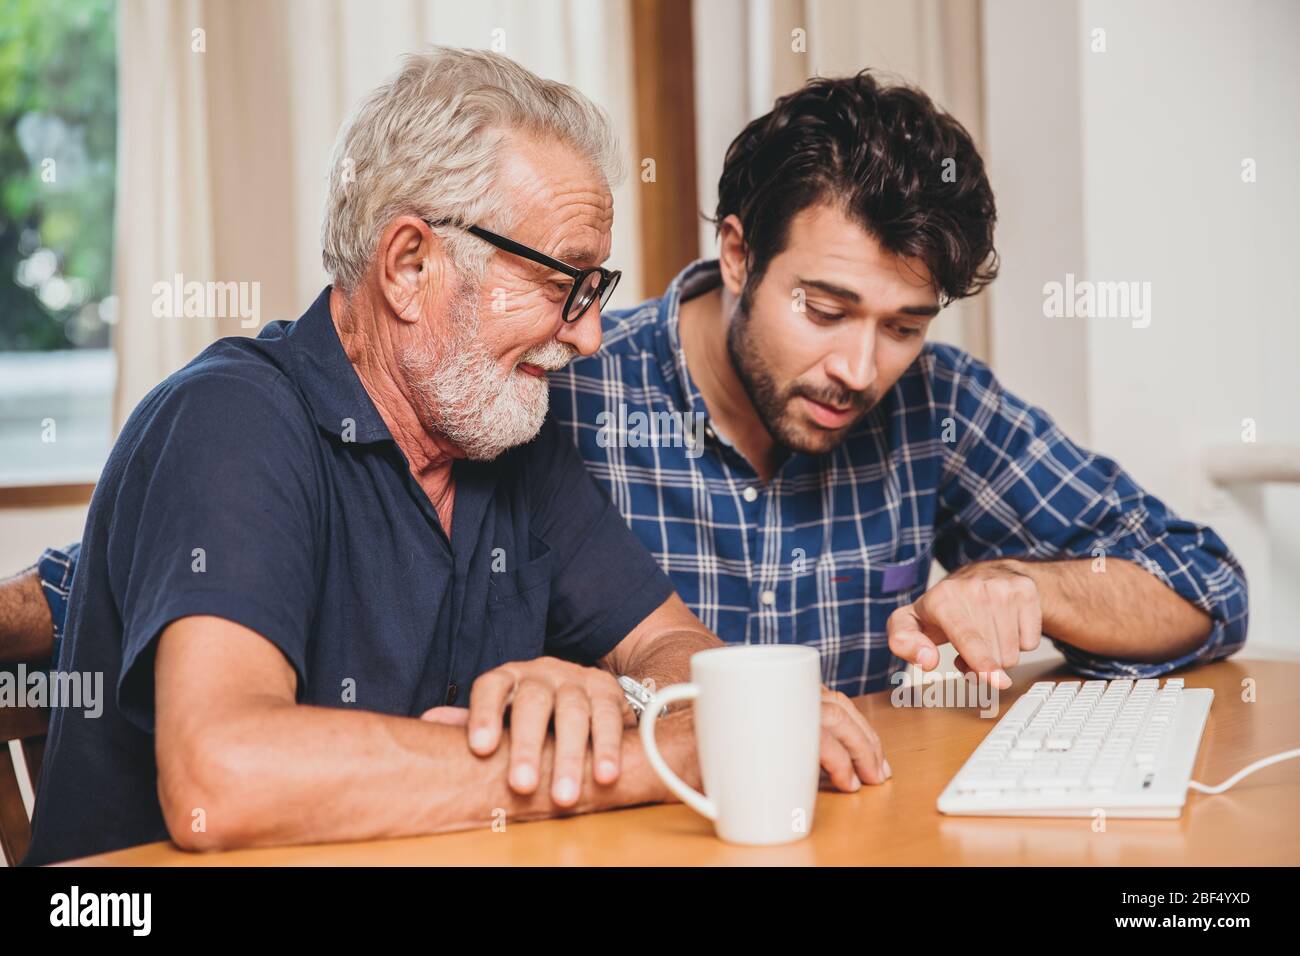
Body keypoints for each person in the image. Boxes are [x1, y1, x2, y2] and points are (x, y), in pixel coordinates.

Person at [7, 49, 885, 866]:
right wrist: (626, 762)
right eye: (560, 284)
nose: (587, 338)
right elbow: (224, 773)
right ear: (410, 263)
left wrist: (615, 706)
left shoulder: (504, 437)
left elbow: (670, 641)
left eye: (596, 291)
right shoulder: (229, 419)